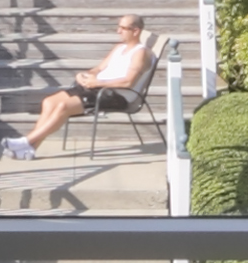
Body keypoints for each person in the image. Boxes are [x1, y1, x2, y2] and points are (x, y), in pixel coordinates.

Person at [13, 9, 164, 159]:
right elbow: (99, 68)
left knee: (63, 107)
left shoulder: (141, 53)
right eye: (118, 27)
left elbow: (128, 82)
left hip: (116, 95)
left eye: (123, 28)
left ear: (136, 31)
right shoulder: (119, 48)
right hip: (97, 88)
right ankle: (31, 148)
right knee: (49, 102)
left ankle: (26, 141)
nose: (118, 31)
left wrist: (97, 82)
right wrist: (85, 75)